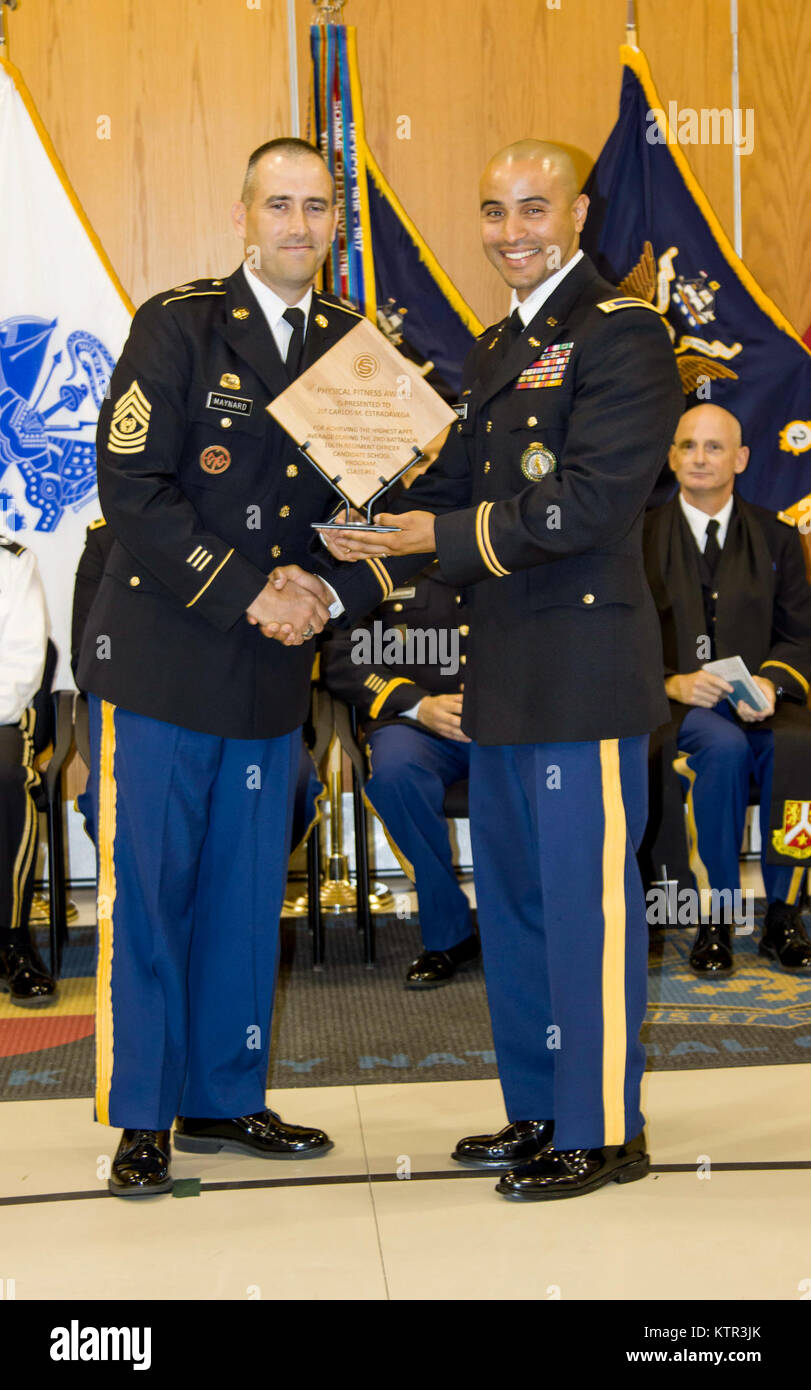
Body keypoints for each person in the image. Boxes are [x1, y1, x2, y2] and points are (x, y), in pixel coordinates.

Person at [320, 140, 684, 1200]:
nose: (511, 231)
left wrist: (431, 534)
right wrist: (367, 516)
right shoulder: (493, 348)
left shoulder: (623, 335)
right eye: (492, 210)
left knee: (585, 907)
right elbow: (456, 485)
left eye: (534, 208)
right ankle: (538, 1107)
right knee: (519, 905)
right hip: (505, 670)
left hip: (581, 667)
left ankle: (604, 1125)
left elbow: (588, 504)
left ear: (578, 213)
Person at [76, 138, 372, 1197]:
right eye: (279, 204)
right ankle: (144, 1116)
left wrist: (328, 596)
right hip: (164, 654)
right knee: (152, 893)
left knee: (248, 897)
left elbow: (377, 520)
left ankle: (223, 1096)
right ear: (242, 214)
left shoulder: (354, 349)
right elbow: (134, 488)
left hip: (270, 668)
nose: (299, 225)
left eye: (318, 206)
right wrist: (252, 587)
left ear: (337, 221)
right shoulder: (179, 323)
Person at [643, 403, 811, 974]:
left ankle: (784, 913)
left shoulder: (778, 538)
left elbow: (800, 635)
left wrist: (771, 680)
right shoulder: (636, 539)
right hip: (674, 706)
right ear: (670, 455)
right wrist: (673, 681)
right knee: (724, 748)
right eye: (686, 445)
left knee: (800, 747)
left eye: (713, 447)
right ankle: (716, 915)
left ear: (739, 458)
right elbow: (615, 640)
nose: (698, 457)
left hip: (764, 704)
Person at [321, 552, 479, 987]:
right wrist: (417, 704)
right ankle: (448, 936)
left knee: (540, 775)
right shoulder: (376, 555)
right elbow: (344, 660)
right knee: (394, 774)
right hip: (413, 725)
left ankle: (525, 928)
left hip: (504, 722)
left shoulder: (500, 535)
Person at [0, 536, 56, 1006]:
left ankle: (10, 940)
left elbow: (20, 667)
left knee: (7, 780)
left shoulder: (11, 562)